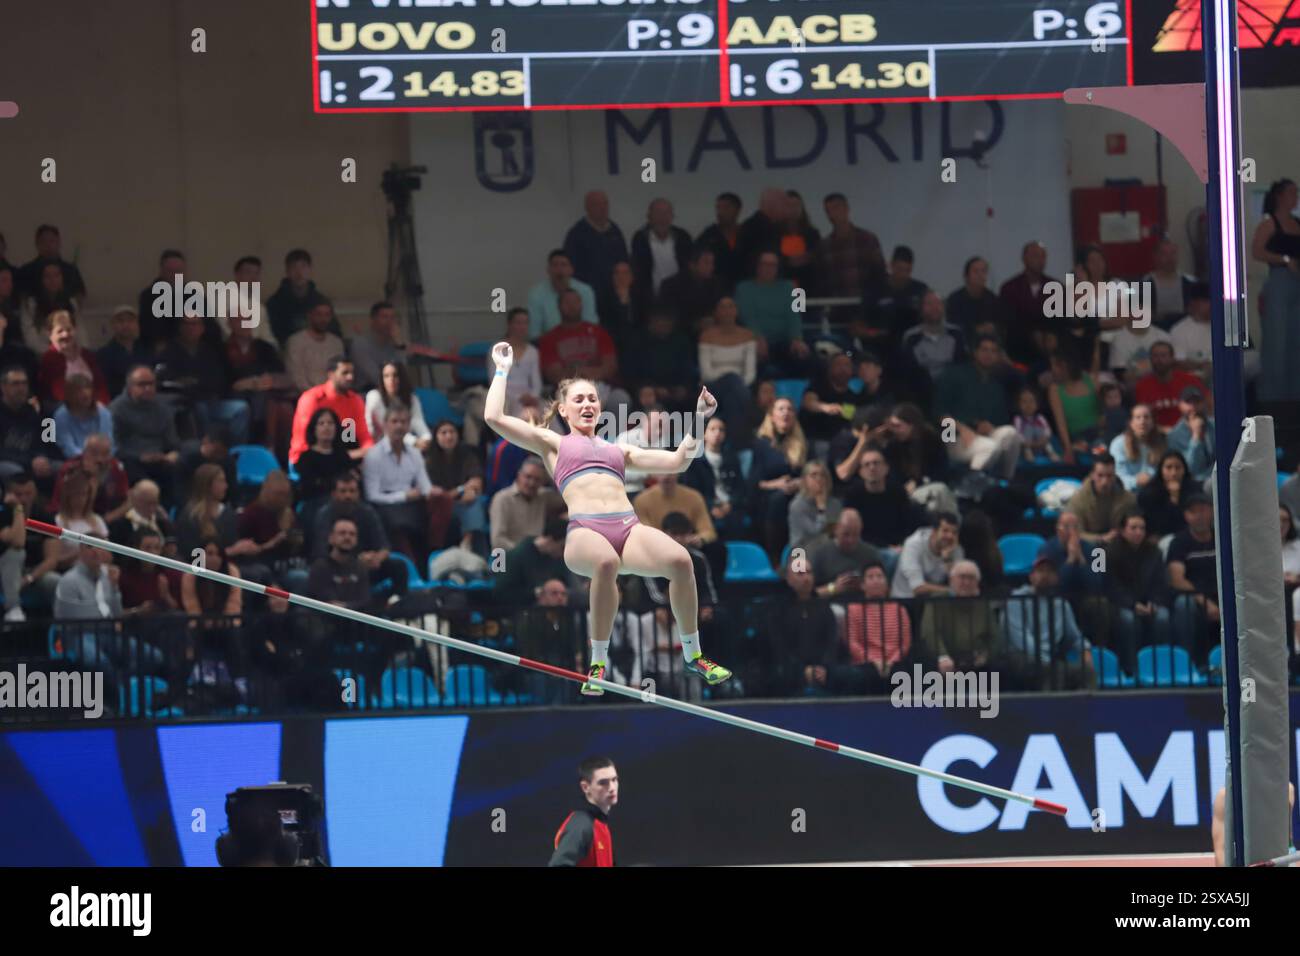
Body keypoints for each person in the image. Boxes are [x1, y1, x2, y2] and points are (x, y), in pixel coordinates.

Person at [486, 346, 734, 694]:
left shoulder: (619, 451)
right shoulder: (552, 443)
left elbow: (678, 461)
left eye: (592, 399)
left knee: (681, 561)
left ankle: (693, 656)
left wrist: (699, 418)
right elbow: (494, 418)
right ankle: (598, 663)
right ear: (563, 409)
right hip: (585, 532)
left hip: (627, 528)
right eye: (579, 399)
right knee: (605, 563)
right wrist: (502, 369)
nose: (587, 404)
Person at [1250, 178, 1300, 461]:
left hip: (1298, 285)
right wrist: (1283, 259)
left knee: (1296, 345)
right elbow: (1257, 251)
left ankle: (1295, 401)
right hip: (1280, 283)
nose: (1295, 197)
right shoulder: (1270, 223)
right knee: (1277, 346)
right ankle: (1273, 404)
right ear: (1281, 195)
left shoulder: (1297, 222)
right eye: (1292, 192)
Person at [933, 334, 1022, 479]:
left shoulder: (998, 382)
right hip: (952, 437)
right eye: (984, 350)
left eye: (994, 351)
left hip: (983, 437)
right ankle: (971, 485)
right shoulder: (954, 374)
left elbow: (1000, 420)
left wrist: (990, 427)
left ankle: (1005, 483)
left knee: (1010, 434)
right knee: (988, 447)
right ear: (975, 352)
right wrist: (962, 429)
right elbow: (939, 414)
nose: (989, 355)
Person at [361, 404, 442, 561]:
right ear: (385, 425)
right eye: (394, 421)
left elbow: (425, 486)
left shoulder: (414, 453)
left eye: (404, 422)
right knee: (399, 523)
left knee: (443, 506)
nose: (399, 426)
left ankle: (435, 557)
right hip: (385, 504)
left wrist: (433, 493)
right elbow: (371, 495)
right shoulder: (373, 455)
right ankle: (411, 569)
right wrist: (404, 496)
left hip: (411, 502)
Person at [157, 310, 250, 445]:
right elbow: (169, 380)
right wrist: (194, 383)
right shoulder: (169, 351)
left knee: (241, 408)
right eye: (186, 324)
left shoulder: (210, 351)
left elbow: (219, 379)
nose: (191, 328)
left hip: (212, 401)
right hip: (186, 403)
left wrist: (196, 382)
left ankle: (236, 450)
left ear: (202, 328)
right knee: (200, 407)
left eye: (195, 324)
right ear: (180, 327)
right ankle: (205, 449)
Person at [310, 471, 408, 598]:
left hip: (366, 566)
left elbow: (384, 546)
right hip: (334, 568)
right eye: (343, 491)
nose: (348, 496)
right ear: (334, 494)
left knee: (398, 566)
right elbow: (321, 552)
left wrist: (376, 558)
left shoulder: (367, 512)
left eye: (352, 491)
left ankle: (396, 606)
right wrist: (356, 561)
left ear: (358, 493)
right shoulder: (324, 515)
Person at [1004, 557, 1091, 690]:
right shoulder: (1016, 599)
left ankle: (1089, 710)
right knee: (1054, 670)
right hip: (1021, 656)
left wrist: (1085, 650)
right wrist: (1046, 658)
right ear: (1031, 576)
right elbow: (1020, 638)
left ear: (1056, 578)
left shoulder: (1061, 604)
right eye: (1040, 571)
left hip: (1051, 659)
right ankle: (1053, 710)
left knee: (1086, 672)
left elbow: (1074, 636)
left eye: (1050, 572)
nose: (1045, 575)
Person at [1105, 512, 1171, 674]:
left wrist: (1154, 602)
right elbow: (1108, 585)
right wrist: (1132, 604)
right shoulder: (1106, 552)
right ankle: (1131, 668)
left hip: (1149, 603)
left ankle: (1159, 668)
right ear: (1122, 530)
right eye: (1133, 528)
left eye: (1142, 528)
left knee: (1162, 617)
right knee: (1128, 620)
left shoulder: (1155, 552)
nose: (1138, 532)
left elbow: (1160, 582)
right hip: (1121, 604)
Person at [761, 565, 842, 696]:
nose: (806, 578)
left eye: (809, 573)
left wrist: (822, 668)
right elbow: (778, 646)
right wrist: (802, 671)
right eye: (800, 574)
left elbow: (831, 642)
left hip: (822, 669)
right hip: (789, 670)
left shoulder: (824, 608)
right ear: (788, 579)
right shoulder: (778, 610)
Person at [109, 364, 182, 500]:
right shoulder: (116, 409)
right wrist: (140, 456)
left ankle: (175, 514)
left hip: (160, 458)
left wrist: (173, 453)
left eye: (151, 384)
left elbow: (172, 441)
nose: (148, 388)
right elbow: (115, 447)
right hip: (132, 460)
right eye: (142, 385)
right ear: (130, 387)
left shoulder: (163, 408)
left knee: (183, 463)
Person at [918, 560, 1001, 673]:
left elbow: (994, 636)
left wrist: (986, 655)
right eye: (962, 577)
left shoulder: (982, 604)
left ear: (977, 583)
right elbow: (930, 631)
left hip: (976, 660)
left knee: (1001, 668)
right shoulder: (937, 600)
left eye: (971, 578)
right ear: (951, 580)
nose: (966, 582)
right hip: (945, 658)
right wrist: (943, 657)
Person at [734, 251, 810, 376]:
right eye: (765, 264)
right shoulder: (743, 288)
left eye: (773, 265)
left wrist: (796, 338)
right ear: (757, 266)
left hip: (784, 342)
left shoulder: (791, 287)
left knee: (805, 357)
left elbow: (795, 316)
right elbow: (747, 316)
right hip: (755, 342)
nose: (769, 268)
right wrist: (757, 337)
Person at [843, 561, 913, 693]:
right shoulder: (853, 609)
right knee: (860, 676)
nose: (876, 580)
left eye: (880, 576)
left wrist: (891, 661)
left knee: (907, 674)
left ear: (887, 583)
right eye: (870, 577)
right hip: (866, 663)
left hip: (894, 662)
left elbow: (905, 643)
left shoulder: (899, 609)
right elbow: (853, 643)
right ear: (863, 585)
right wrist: (874, 662)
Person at [288, 356, 372, 465]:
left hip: (344, 456)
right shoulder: (312, 398)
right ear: (331, 374)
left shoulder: (355, 400)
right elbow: (307, 439)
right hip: (308, 458)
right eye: (345, 373)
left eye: (352, 373)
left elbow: (364, 436)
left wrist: (369, 451)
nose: (350, 377)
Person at [0, 471, 61, 621]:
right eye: (18, 495)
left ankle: (62, 627)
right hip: (5, 571)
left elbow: (52, 559)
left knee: (55, 581)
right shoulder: (3, 514)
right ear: (9, 494)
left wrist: (29, 578)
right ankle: (13, 608)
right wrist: (18, 510)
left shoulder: (45, 516)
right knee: (16, 554)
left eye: (28, 494)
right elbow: (18, 542)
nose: (24, 499)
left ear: (35, 493)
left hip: (33, 573)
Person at [749, 397, 806, 556]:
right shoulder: (761, 444)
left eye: (790, 409)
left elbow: (811, 472)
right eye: (781, 409)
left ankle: (799, 558)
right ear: (772, 416)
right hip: (768, 495)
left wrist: (799, 482)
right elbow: (754, 482)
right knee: (778, 500)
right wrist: (777, 484)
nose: (786, 412)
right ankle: (775, 556)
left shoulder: (802, 443)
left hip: (798, 492)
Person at [1166, 493, 1219, 664]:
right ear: (1186, 516)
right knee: (1183, 604)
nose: (1200, 516)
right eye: (1194, 512)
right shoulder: (1179, 542)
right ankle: (1187, 664)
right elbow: (1177, 580)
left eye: (1204, 511)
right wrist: (1205, 602)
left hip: (1223, 595)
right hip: (1195, 598)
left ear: (1212, 512)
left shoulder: (1223, 537)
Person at [696, 296, 758, 441]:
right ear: (716, 312)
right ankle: (745, 440)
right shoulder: (707, 336)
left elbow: (750, 374)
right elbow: (707, 373)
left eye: (730, 306)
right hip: (714, 386)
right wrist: (730, 377)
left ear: (736, 311)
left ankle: (732, 443)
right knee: (733, 383)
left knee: (732, 399)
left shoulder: (747, 335)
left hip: (741, 387)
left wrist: (734, 381)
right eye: (722, 307)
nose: (727, 311)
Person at [841, 446, 923, 551]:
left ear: (886, 468)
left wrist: (902, 545)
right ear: (861, 472)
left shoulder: (897, 492)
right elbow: (854, 533)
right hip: (865, 549)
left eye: (876, 463)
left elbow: (907, 523)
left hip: (898, 546)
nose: (872, 468)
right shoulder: (852, 495)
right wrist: (887, 547)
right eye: (867, 464)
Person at [424, 419, 488, 552]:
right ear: (436, 437)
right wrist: (462, 489)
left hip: (464, 501)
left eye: (452, 432)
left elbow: (477, 482)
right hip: (440, 507)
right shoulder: (429, 461)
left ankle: (468, 543)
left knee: (474, 503)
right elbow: (437, 496)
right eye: (443, 432)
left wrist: (469, 492)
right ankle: (468, 545)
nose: (449, 436)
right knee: (471, 508)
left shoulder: (467, 454)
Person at [680, 416, 748, 540]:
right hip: (705, 507)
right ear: (704, 434)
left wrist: (730, 504)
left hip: (730, 507)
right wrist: (710, 506)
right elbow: (693, 491)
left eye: (721, 430)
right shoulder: (695, 461)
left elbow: (740, 488)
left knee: (738, 523)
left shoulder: (731, 459)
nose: (717, 433)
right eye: (712, 429)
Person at [854, 245, 928, 355]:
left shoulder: (920, 289)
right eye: (899, 269)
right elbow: (859, 326)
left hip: (913, 346)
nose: (903, 274)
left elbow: (931, 320)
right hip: (880, 345)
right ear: (891, 266)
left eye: (907, 270)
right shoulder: (874, 290)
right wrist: (875, 333)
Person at [549, 756, 618, 867]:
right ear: (585, 787)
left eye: (614, 780)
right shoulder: (581, 824)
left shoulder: (600, 824)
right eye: (603, 783)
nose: (612, 787)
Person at [817, 192, 885, 302]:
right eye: (828, 211)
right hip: (837, 308)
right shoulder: (824, 246)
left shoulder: (867, 239)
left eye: (836, 208)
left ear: (846, 208)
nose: (832, 214)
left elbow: (879, 275)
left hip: (866, 306)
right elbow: (823, 281)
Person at [563, 190, 628, 304]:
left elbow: (624, 261)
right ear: (587, 207)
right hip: (588, 296)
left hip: (614, 295)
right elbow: (570, 269)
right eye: (597, 204)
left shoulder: (614, 231)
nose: (602, 208)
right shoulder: (576, 234)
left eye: (605, 204)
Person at [999, 240, 1058, 365]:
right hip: (1019, 351)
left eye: (1043, 256)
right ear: (1024, 259)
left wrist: (1050, 335)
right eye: (1036, 256)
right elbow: (1008, 322)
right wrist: (1032, 334)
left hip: (1050, 352)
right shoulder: (1009, 288)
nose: (1040, 260)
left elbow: (1059, 320)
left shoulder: (1055, 287)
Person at [51, 433, 129, 523]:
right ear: (84, 452)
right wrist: (91, 477)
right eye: (94, 453)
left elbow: (125, 500)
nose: (100, 459)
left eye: (105, 454)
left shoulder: (116, 468)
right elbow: (71, 503)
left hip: (103, 517)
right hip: (67, 516)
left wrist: (110, 517)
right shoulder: (70, 468)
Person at [36, 310, 110, 407]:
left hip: (94, 407)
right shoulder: (49, 358)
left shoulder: (87, 355)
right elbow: (58, 393)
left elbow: (100, 386)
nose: (65, 334)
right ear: (50, 334)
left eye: (69, 329)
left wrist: (102, 404)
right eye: (60, 331)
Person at [493, 518, 572, 605]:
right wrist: (537, 592)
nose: (564, 553)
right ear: (550, 539)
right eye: (562, 547)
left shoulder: (558, 559)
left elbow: (572, 588)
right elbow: (501, 593)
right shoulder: (517, 556)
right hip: (521, 611)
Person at [630, 198, 693, 305]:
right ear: (649, 217)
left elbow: (690, 266)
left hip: (680, 298)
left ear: (672, 217)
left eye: (667, 213)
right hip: (649, 298)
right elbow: (638, 271)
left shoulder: (683, 237)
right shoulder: (640, 239)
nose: (662, 218)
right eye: (658, 213)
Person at [267, 248, 336, 346]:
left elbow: (334, 334)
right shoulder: (275, 304)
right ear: (287, 271)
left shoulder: (322, 302)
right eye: (294, 267)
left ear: (310, 269)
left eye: (303, 266)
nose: (299, 272)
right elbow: (272, 338)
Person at [1133, 341, 1206, 431]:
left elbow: (1206, 406)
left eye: (1163, 355)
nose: (1159, 360)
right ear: (1150, 359)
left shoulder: (1190, 380)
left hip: (1189, 431)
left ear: (1172, 358)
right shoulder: (1142, 386)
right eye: (1155, 356)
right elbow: (1141, 417)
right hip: (1155, 435)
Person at [809, 509, 882, 598]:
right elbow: (809, 594)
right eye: (846, 534)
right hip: (829, 605)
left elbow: (884, 590)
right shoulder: (820, 554)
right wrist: (834, 588)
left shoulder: (871, 554)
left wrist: (865, 586)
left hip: (862, 606)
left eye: (855, 535)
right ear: (836, 530)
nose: (850, 540)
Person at [1046, 349, 1100, 466]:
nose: (1052, 370)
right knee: (1083, 456)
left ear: (1064, 366)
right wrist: (1068, 447)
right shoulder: (1055, 389)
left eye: (1054, 366)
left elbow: (1102, 409)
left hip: (1097, 434)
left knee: (1100, 450)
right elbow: (1061, 423)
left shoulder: (1089, 379)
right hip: (1077, 437)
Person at [527, 250, 598, 339]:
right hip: (549, 344)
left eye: (564, 265)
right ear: (548, 270)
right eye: (555, 265)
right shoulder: (536, 295)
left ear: (571, 270)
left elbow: (590, 325)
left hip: (582, 342)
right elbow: (534, 333)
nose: (559, 270)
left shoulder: (585, 291)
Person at [1067, 453, 1136, 544]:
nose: (1104, 482)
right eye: (1100, 475)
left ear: (1115, 475)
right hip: (1089, 548)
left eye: (1109, 476)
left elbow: (1136, 527)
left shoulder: (1128, 499)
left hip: (1120, 544)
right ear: (1092, 475)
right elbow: (1075, 533)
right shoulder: (1077, 500)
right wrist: (1101, 539)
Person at [657, 245, 725, 336]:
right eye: (706, 263)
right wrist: (695, 325)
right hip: (682, 336)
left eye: (712, 263)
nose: (711, 267)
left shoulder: (716, 283)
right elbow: (668, 318)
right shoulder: (671, 286)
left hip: (713, 334)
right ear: (692, 265)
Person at [891, 512, 963, 598]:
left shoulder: (955, 548)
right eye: (945, 531)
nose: (950, 536)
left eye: (954, 532)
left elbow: (959, 584)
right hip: (906, 599)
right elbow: (918, 588)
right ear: (934, 532)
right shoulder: (913, 544)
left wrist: (947, 560)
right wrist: (951, 591)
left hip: (937, 601)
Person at [487, 308, 542, 418]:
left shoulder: (533, 351)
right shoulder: (498, 349)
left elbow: (536, 381)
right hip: (505, 397)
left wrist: (533, 396)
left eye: (525, 323)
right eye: (518, 323)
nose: (522, 327)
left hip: (529, 398)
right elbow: (493, 380)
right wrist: (518, 397)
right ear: (509, 324)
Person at [364, 361, 431, 450]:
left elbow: (418, 421)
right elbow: (387, 428)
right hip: (380, 446)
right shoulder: (374, 397)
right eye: (386, 376)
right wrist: (414, 442)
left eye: (395, 375)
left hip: (406, 446)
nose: (391, 380)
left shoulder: (412, 398)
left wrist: (426, 438)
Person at [285, 299, 346, 393]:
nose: (323, 319)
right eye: (319, 314)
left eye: (327, 315)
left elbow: (340, 374)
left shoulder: (336, 343)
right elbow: (296, 377)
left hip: (333, 396)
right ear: (310, 316)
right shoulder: (296, 341)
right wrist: (315, 395)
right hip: (304, 396)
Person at [1136, 450, 1196, 539]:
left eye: (1178, 467)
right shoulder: (1149, 493)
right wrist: (1173, 498)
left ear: (1184, 470)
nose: (1173, 473)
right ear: (1161, 470)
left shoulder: (1193, 489)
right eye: (1168, 467)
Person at [945, 256, 1007, 343]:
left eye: (984, 271)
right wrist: (976, 329)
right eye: (976, 271)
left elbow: (1002, 326)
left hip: (989, 346)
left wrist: (994, 327)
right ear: (966, 276)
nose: (980, 275)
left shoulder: (993, 299)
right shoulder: (955, 299)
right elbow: (952, 328)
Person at [52, 373, 114, 459]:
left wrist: (100, 458)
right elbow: (68, 448)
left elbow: (108, 441)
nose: (85, 393)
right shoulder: (60, 416)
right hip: (75, 462)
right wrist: (89, 459)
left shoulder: (103, 412)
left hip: (103, 459)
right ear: (70, 395)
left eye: (88, 388)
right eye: (79, 390)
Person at [347, 301, 404, 394]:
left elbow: (402, 374)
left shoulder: (393, 343)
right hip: (365, 393)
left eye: (393, 317)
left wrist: (399, 345)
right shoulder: (361, 343)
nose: (390, 322)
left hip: (391, 392)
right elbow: (375, 377)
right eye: (385, 317)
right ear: (373, 320)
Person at [96, 305, 152, 399]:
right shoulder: (104, 354)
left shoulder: (147, 350)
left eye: (130, 320)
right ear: (113, 325)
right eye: (120, 321)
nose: (126, 325)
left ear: (137, 324)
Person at [1109, 404, 1166, 491]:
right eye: (1138, 417)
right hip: (1128, 494)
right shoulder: (1118, 444)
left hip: (1156, 490)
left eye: (1146, 417)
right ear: (1131, 423)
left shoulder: (1161, 442)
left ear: (1153, 422)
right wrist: (1135, 481)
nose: (1142, 421)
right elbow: (1117, 476)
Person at [787, 460, 842, 551]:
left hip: (829, 551)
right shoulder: (797, 506)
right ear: (805, 480)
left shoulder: (835, 504)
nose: (819, 479)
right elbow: (815, 534)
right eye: (814, 475)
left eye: (822, 475)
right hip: (801, 551)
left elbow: (833, 534)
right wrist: (821, 509)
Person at [1143, 238, 1196, 330]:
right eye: (1164, 254)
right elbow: (1138, 319)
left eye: (1173, 253)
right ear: (1156, 256)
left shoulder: (1190, 283)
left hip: (1186, 331)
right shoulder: (1143, 284)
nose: (1170, 258)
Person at [1165, 386, 1215, 483]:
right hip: (1192, 482)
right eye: (1188, 403)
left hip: (1216, 478)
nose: (1193, 407)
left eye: (1197, 402)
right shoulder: (1174, 436)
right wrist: (1196, 437)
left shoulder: (1215, 426)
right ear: (1180, 405)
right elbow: (1190, 469)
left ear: (1204, 403)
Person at [696, 192, 745, 290]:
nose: (721, 212)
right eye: (718, 208)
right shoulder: (708, 235)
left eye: (726, 208)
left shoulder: (748, 234)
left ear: (738, 210)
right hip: (714, 289)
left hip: (744, 288)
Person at [776, 190, 820, 292]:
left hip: (808, 285)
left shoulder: (812, 234)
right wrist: (787, 260)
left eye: (796, 205)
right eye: (789, 205)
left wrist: (807, 257)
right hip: (780, 284)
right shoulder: (774, 233)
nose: (793, 209)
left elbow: (818, 257)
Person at [1167, 283, 1214, 376]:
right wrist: (1203, 366)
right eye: (1207, 301)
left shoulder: (1223, 327)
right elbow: (1179, 361)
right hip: (1192, 380)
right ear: (1195, 303)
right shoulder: (1179, 330)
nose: (1212, 305)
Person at [1013, 387, 1058, 462]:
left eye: (1031, 401)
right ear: (1018, 404)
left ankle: (1051, 453)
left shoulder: (1040, 418)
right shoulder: (1018, 419)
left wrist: (1044, 439)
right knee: (1028, 429)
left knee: (1040, 432)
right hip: (1026, 444)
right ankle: (1028, 453)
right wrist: (1027, 443)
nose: (1028, 405)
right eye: (1024, 401)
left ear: (1037, 404)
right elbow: (1018, 433)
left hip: (1040, 442)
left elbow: (1047, 430)